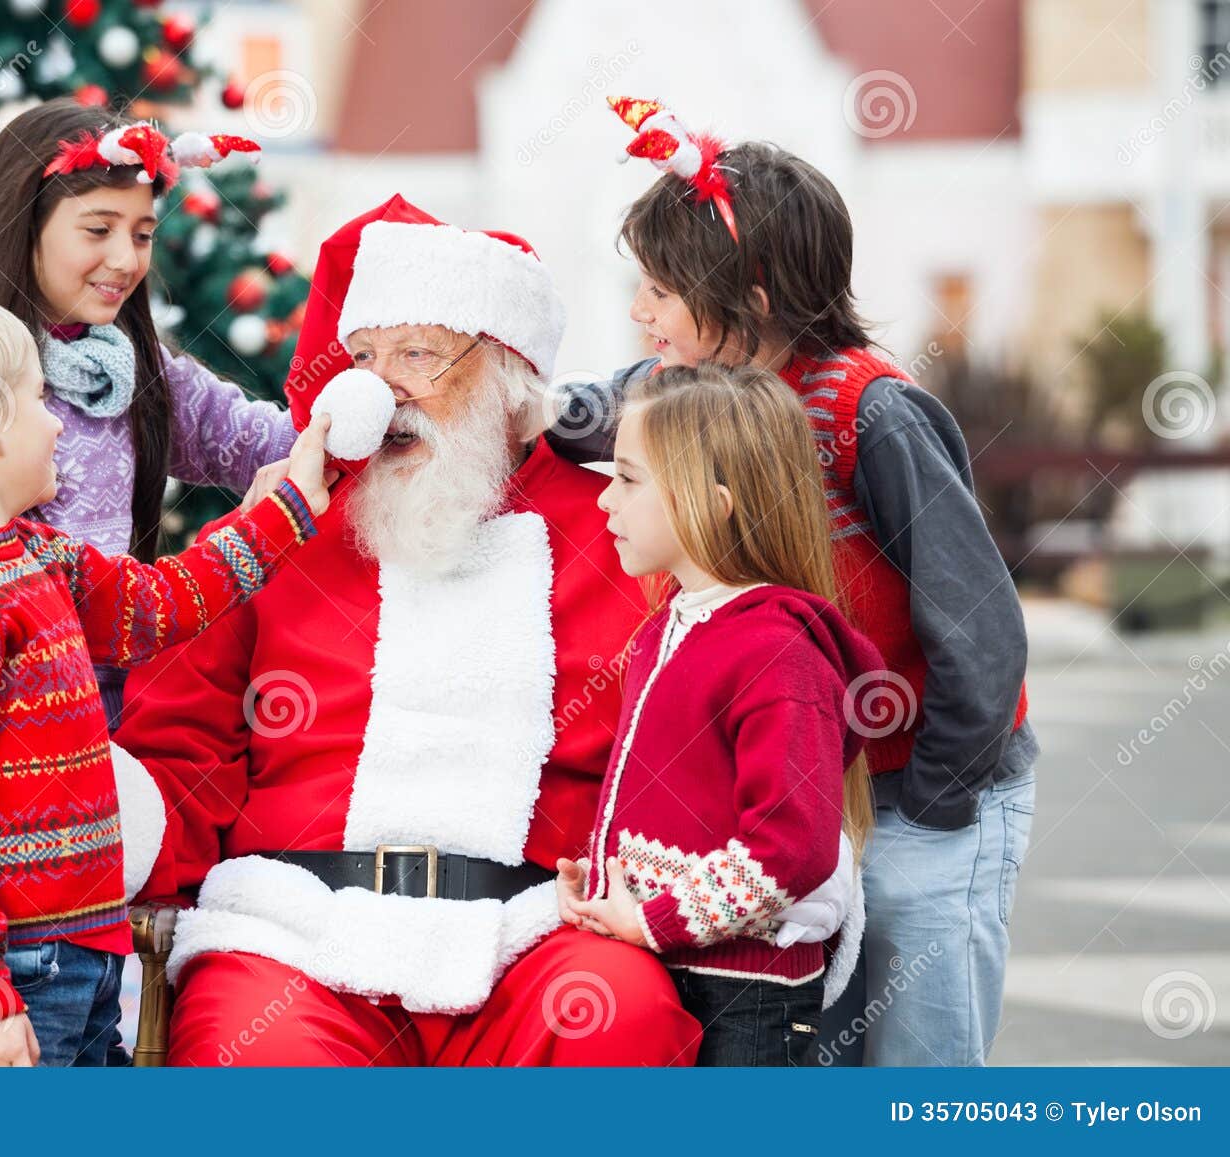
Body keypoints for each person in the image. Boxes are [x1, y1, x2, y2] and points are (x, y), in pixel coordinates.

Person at [116, 195, 703, 1066]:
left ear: (509, 370)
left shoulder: (623, 531)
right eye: (362, 359)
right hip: (296, 932)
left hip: (535, 930)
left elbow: (688, 745)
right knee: (257, 1056)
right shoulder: (276, 534)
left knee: (621, 1016)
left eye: (418, 355)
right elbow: (178, 754)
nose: (377, 389)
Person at [545, 99, 1038, 1066]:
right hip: (833, 793)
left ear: (751, 301)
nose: (641, 314)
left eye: (660, 290)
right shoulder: (695, 400)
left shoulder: (871, 413)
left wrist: (930, 801)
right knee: (832, 1040)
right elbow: (582, 416)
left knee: (917, 1047)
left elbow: (980, 628)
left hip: (931, 789)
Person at [0, 284, 330, 1066]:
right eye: (38, 399)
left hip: (83, 955)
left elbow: (162, 604)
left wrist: (284, 508)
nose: (59, 421)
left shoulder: (38, 556)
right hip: (12, 976)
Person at [0, 98, 297, 729]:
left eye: (143, 234)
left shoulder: (137, 368)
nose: (127, 260)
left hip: (128, 698)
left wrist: (374, 410)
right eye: (98, 230)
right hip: (4, 702)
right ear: (22, 225)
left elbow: (257, 440)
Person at [558, 363, 880, 1066]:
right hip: (668, 971)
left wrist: (651, 918)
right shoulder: (665, 626)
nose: (604, 500)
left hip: (746, 1003)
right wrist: (608, 885)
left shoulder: (776, 651)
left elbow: (790, 847)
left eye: (629, 478)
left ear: (714, 500)